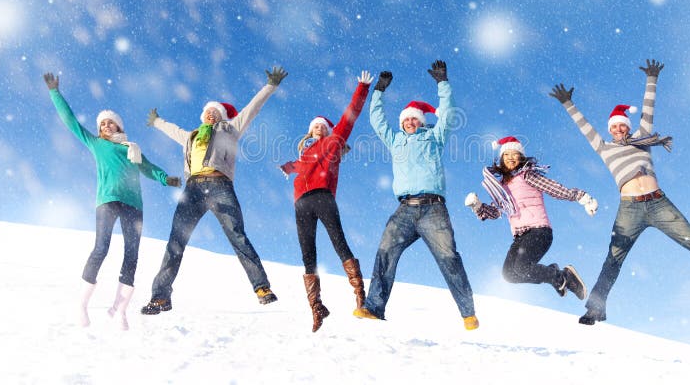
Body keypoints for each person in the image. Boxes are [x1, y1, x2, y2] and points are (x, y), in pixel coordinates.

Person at [549, 59, 690, 325]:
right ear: (610, 130)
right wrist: (568, 104)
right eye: (614, 126)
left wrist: (651, 80)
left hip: (659, 203)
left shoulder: (642, 141)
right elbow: (585, 128)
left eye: (623, 125)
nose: (619, 129)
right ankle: (595, 309)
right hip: (630, 208)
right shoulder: (605, 148)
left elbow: (648, 111)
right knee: (614, 258)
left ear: (628, 127)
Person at [140, 66, 288, 315]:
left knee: (236, 235)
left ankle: (261, 287)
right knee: (176, 241)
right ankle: (160, 297)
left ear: (221, 117)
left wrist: (270, 86)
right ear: (202, 116)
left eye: (215, 112)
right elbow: (172, 130)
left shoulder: (230, 129)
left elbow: (252, 108)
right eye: (208, 111)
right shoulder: (191, 136)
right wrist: (157, 122)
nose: (211, 114)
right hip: (192, 190)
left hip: (221, 186)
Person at [43, 72, 180, 330]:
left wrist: (166, 179)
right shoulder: (97, 144)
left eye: (110, 123)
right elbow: (71, 121)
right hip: (107, 201)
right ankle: (81, 305)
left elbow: (149, 168)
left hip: (134, 205)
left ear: (119, 126)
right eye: (102, 124)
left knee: (132, 254)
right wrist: (54, 92)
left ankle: (119, 310)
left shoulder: (131, 149)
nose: (106, 126)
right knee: (101, 248)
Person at [354, 60, 479, 330]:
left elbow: (447, 114)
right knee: (385, 252)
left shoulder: (434, 136)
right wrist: (379, 91)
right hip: (405, 209)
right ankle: (374, 307)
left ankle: (468, 314)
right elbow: (377, 120)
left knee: (449, 258)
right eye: (406, 119)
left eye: (414, 118)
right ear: (402, 122)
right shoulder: (395, 140)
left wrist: (442, 83)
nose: (410, 122)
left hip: (433, 209)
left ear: (421, 121)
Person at [279, 71, 374, 332]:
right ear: (310, 130)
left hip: (322, 197)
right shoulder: (304, 154)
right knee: (307, 254)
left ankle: (360, 294)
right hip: (301, 204)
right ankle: (316, 307)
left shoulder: (333, 142)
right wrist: (288, 167)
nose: (319, 128)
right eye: (315, 126)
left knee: (338, 242)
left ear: (328, 130)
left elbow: (350, 116)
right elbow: (297, 165)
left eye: (322, 125)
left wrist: (362, 88)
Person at [464, 136, 597, 300]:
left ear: (521, 157)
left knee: (521, 267)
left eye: (514, 154)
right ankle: (555, 275)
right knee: (509, 274)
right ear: (501, 159)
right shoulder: (502, 187)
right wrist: (478, 207)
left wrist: (580, 196)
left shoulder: (527, 175)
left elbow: (553, 188)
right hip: (520, 237)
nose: (510, 158)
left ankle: (563, 276)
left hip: (539, 231)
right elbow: (497, 211)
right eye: (506, 155)